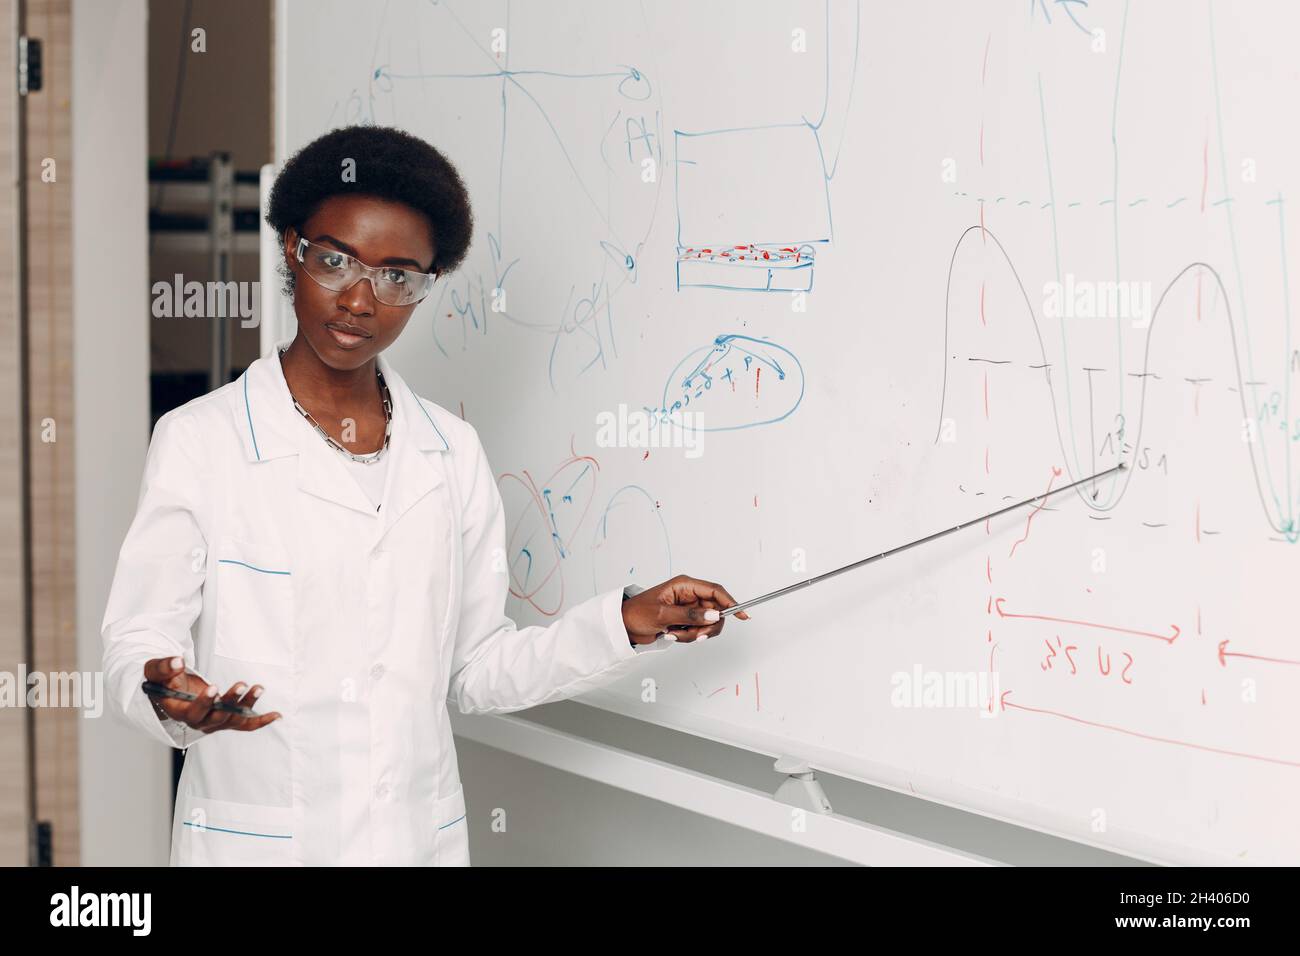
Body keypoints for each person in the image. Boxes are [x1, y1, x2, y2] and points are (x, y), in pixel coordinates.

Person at [101, 125, 750, 866]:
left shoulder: (449, 452)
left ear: (426, 283)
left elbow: (474, 671)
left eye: (398, 276)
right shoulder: (202, 440)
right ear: (292, 248)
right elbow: (137, 643)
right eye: (334, 260)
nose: (358, 298)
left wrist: (626, 623)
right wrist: (166, 694)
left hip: (414, 844)